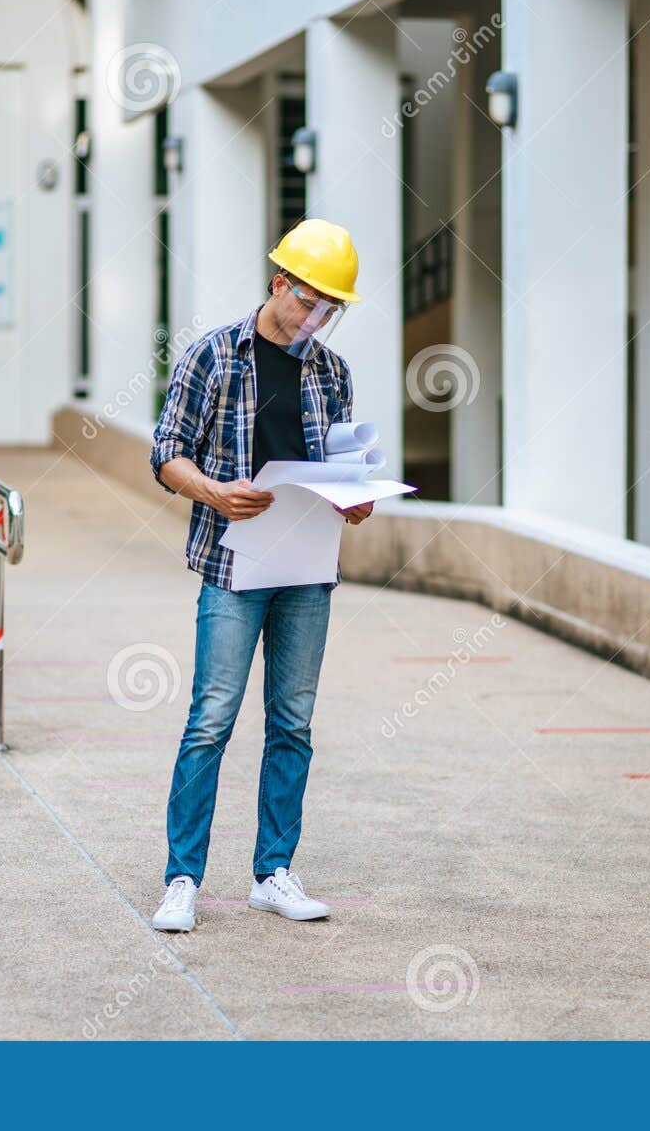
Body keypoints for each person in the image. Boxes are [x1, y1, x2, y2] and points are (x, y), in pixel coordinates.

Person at [146, 218, 373, 933]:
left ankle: (274, 873)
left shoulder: (332, 374)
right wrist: (214, 491)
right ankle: (182, 879)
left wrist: (356, 497)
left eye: (329, 310)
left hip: (308, 571)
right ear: (279, 286)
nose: (317, 320)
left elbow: (339, 469)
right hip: (232, 566)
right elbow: (165, 454)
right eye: (309, 304)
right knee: (210, 722)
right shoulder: (213, 357)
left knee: (293, 724)